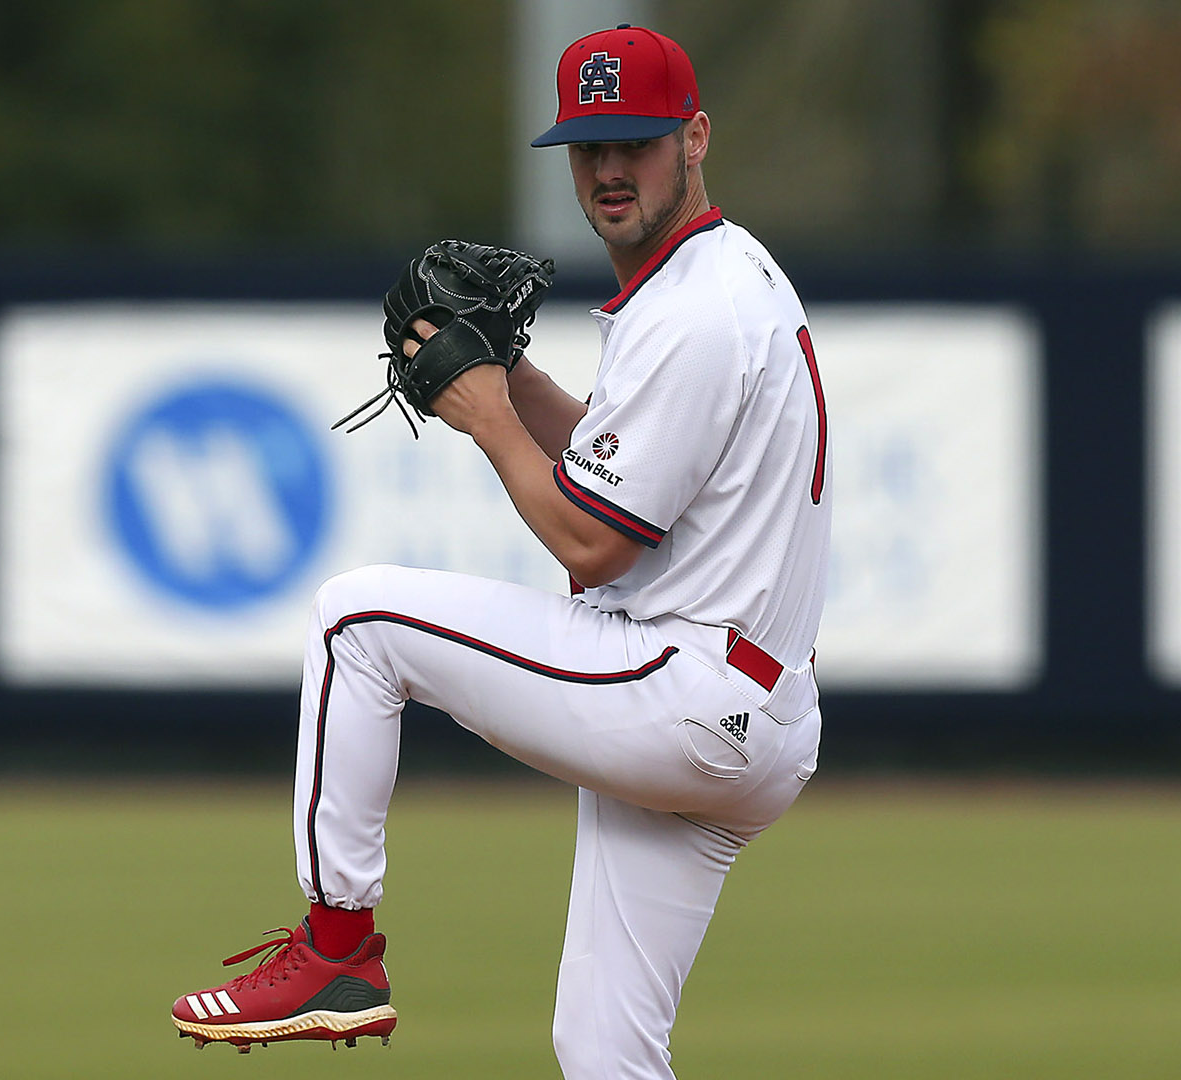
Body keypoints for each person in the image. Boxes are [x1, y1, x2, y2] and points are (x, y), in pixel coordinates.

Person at [171, 24, 831, 1078]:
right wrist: (509, 371)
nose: (611, 170)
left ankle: (337, 954)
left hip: (688, 687)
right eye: (588, 146)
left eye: (638, 141)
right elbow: (616, 483)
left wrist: (484, 416)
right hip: (746, 705)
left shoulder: (697, 313)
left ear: (695, 137)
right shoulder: (713, 280)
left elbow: (590, 540)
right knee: (604, 1048)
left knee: (358, 620)